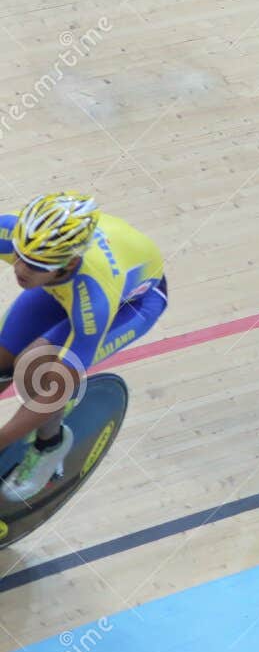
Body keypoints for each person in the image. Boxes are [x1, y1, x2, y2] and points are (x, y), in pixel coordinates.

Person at [0, 193, 168, 501]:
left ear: (69, 263)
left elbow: (57, 385)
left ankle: (49, 446)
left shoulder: (94, 297)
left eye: (36, 265)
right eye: (20, 256)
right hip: (60, 289)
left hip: (130, 304)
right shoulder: (16, 235)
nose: (21, 270)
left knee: (37, 369)